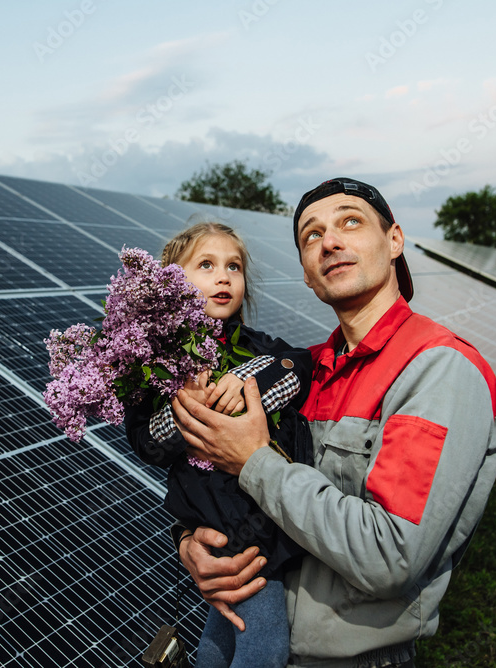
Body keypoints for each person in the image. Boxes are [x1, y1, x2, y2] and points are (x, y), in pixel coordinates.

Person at [170, 179, 496, 667]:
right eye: (311, 235)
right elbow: (209, 472)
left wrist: (255, 461)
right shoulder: (295, 371)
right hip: (260, 636)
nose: (329, 241)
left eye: (351, 221)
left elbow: (391, 555)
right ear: (307, 274)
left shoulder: (438, 369)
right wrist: (189, 544)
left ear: (394, 241)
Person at [125, 221, 313, 668]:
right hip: (232, 539)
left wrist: (246, 379)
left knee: (222, 641)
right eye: (205, 265)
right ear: (170, 284)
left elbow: (298, 366)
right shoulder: (153, 367)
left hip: (259, 524)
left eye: (234, 266)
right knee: (263, 647)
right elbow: (145, 444)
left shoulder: (257, 349)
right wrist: (181, 410)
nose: (223, 276)